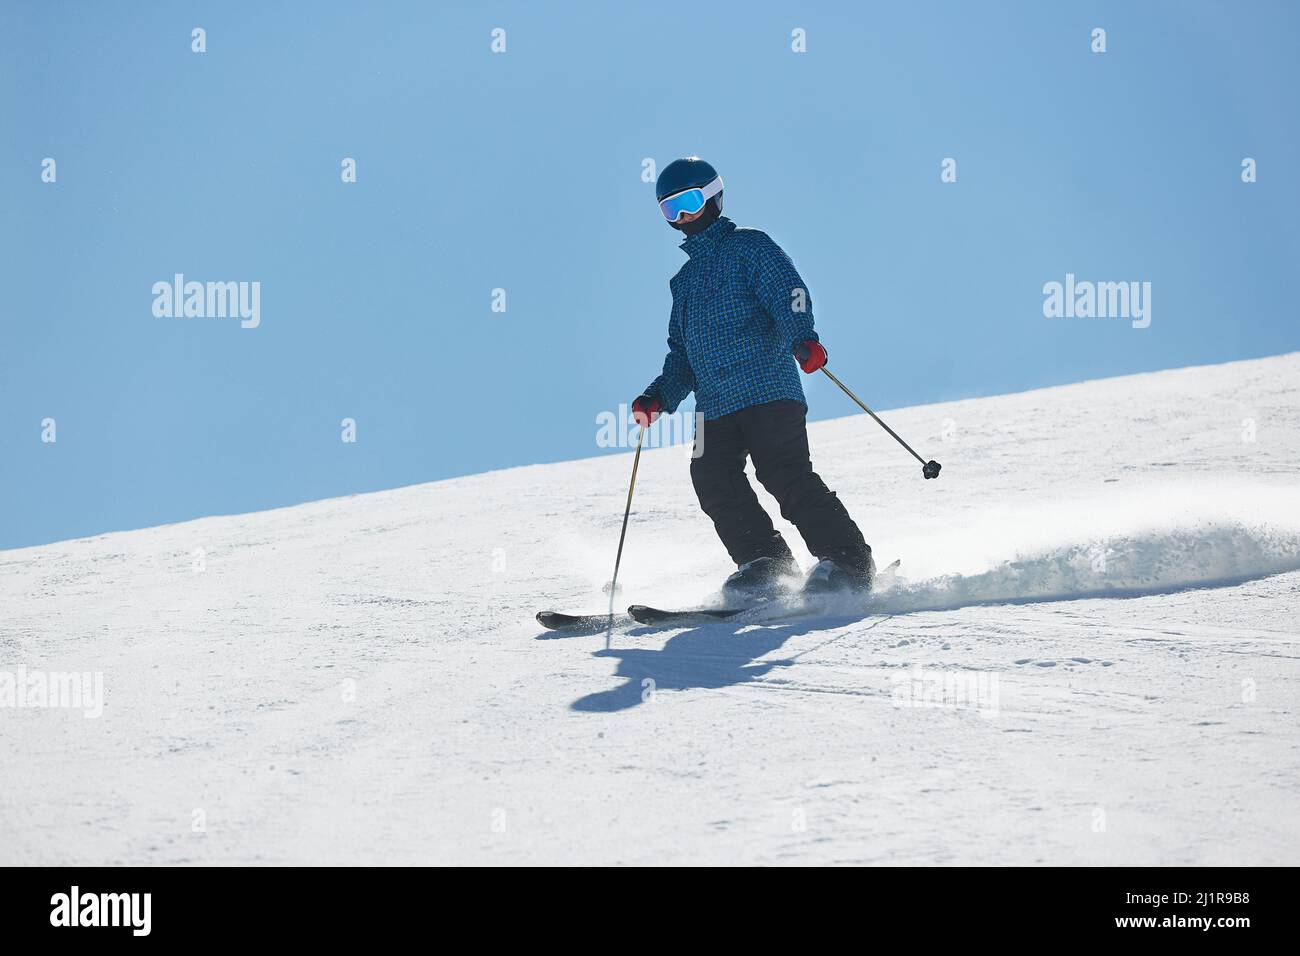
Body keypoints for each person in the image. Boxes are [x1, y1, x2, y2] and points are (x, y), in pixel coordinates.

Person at [631, 157, 874, 597]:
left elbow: (790, 293)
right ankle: (766, 565)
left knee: (783, 471)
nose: (683, 216)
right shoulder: (683, 282)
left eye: (688, 202)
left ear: (712, 197)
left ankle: (847, 559)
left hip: (766, 388)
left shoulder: (750, 247)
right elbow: (681, 357)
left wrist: (804, 338)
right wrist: (658, 396)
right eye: (671, 209)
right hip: (715, 405)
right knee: (710, 476)